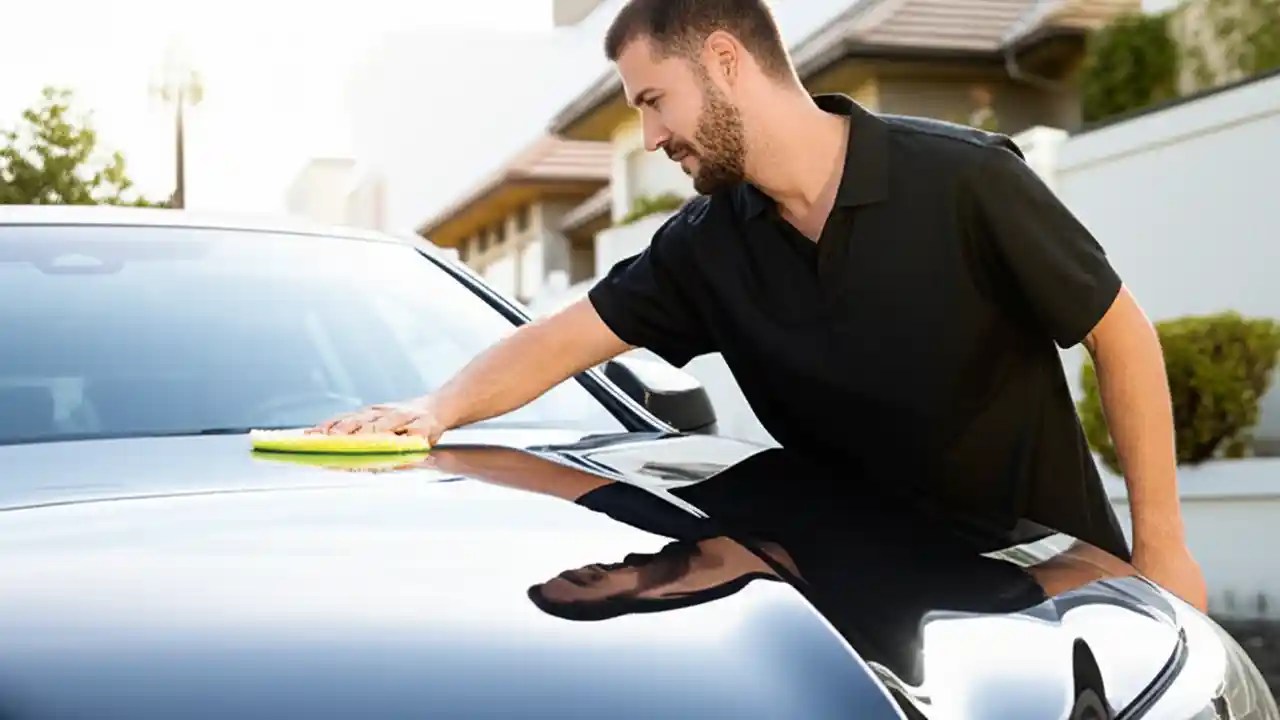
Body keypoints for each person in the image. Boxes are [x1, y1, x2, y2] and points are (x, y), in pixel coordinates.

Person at [312, 0, 1206, 611]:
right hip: (859, 611)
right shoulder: (705, 246)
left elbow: (1118, 333)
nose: (653, 135)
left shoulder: (965, 179)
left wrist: (1161, 546)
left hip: (1050, 585)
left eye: (655, 101)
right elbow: (560, 339)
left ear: (728, 61)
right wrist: (436, 410)